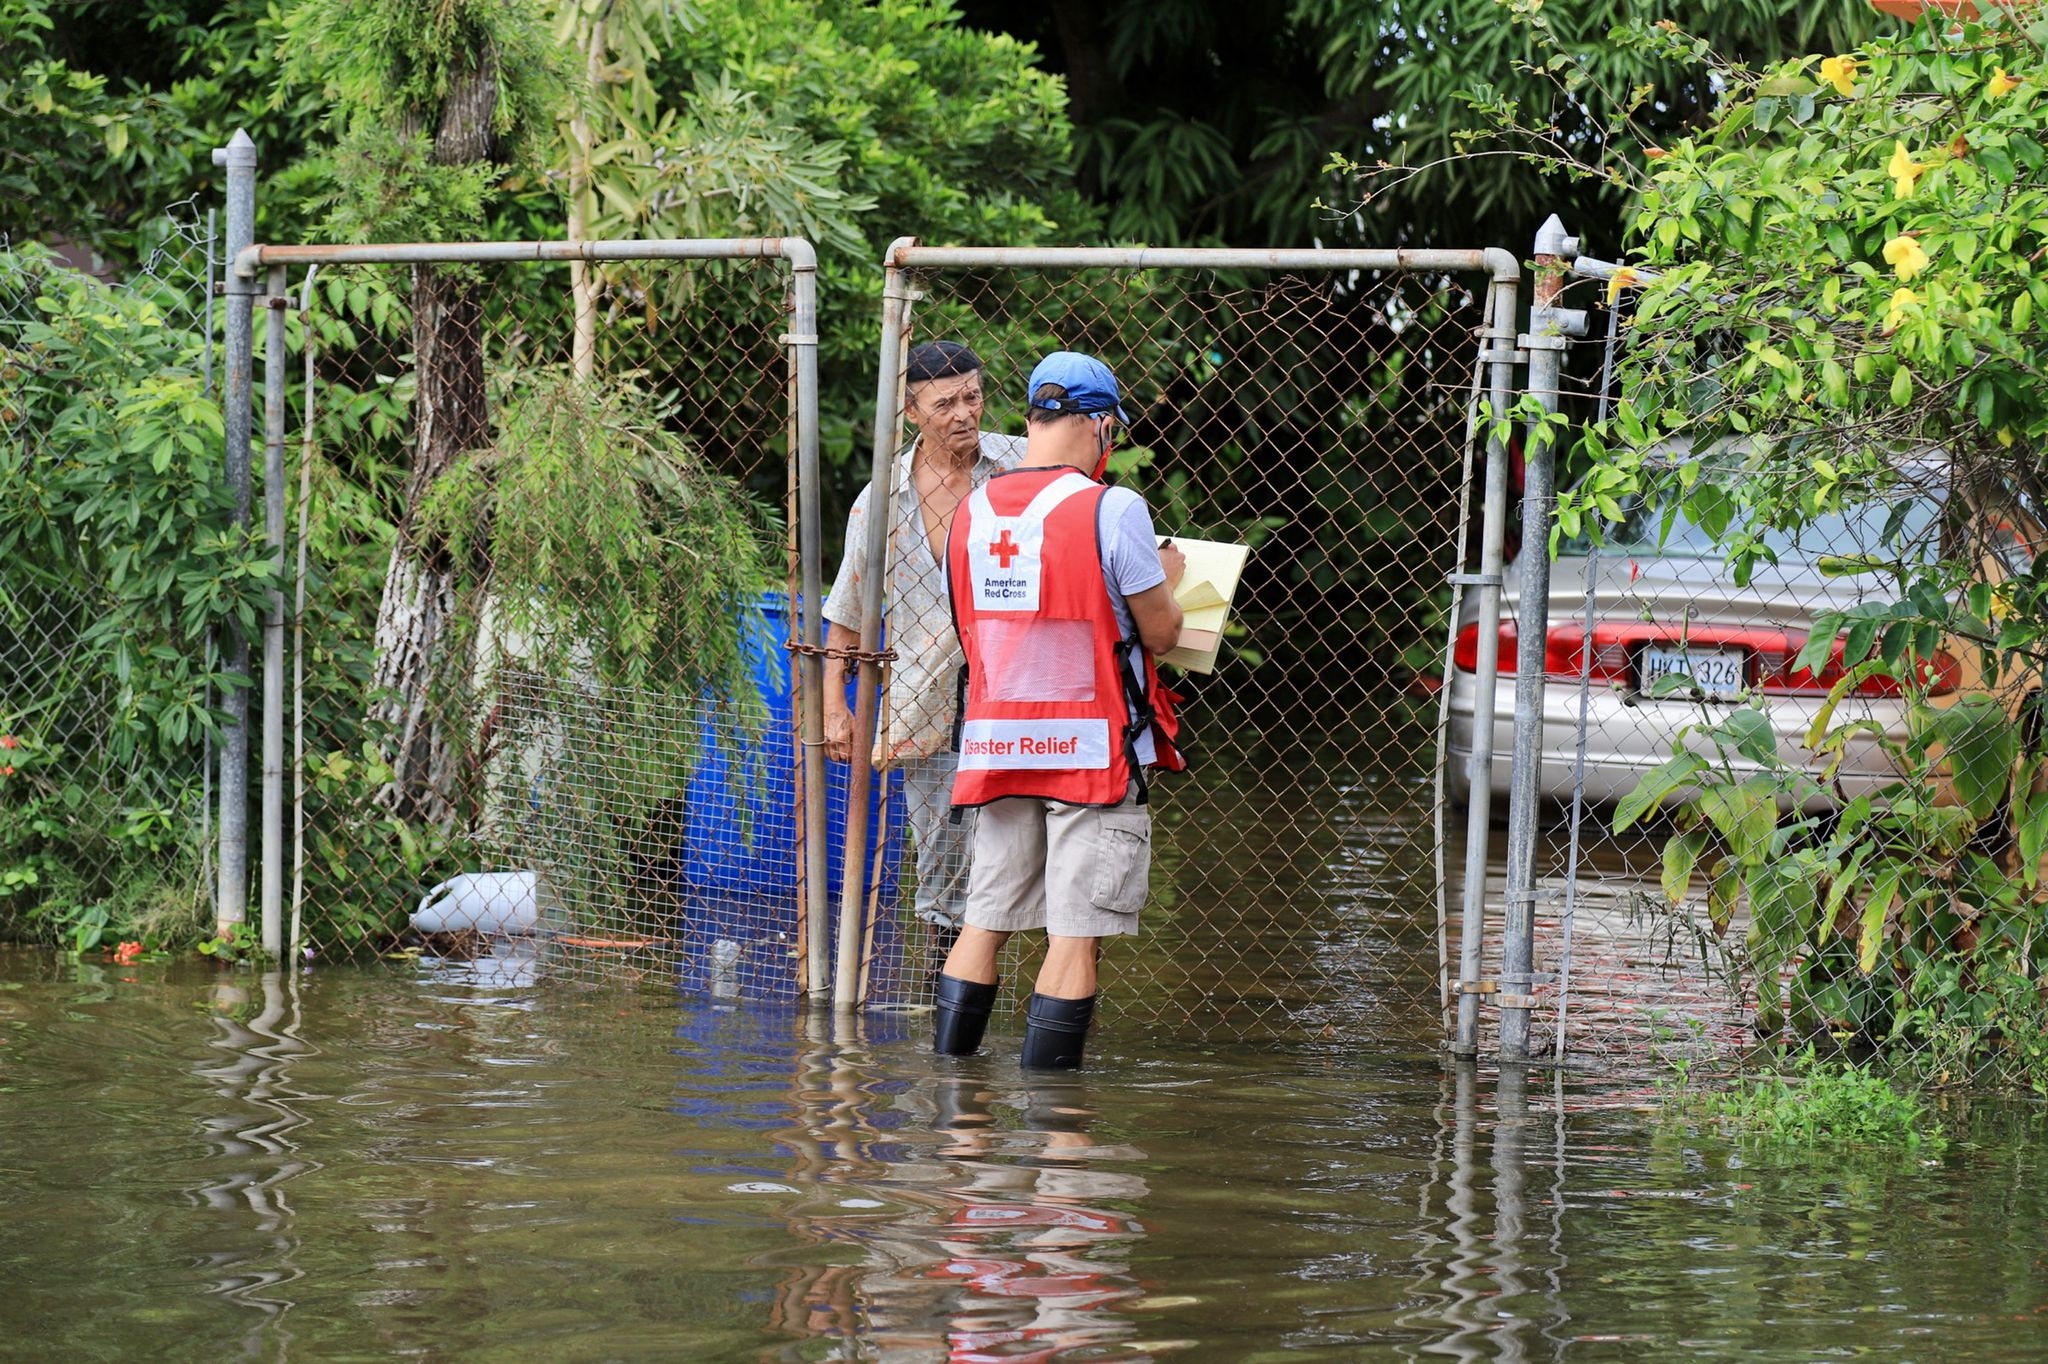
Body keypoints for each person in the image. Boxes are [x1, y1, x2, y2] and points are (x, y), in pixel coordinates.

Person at [932, 351, 1188, 1070]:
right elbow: (1161, 633)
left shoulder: (972, 512)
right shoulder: (1115, 509)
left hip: (998, 748)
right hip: (1090, 753)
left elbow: (973, 631)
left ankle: (954, 1104)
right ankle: (1055, 1132)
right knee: (1073, 935)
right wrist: (1166, 575)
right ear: (1101, 426)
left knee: (983, 922)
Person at [822, 341, 1026, 948]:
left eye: (974, 396)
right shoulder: (881, 499)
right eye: (945, 404)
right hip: (928, 704)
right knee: (943, 857)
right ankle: (951, 1010)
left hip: (1017, 690)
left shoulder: (1024, 468)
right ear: (912, 411)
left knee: (1026, 845)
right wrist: (836, 703)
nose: (965, 413)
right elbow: (847, 612)